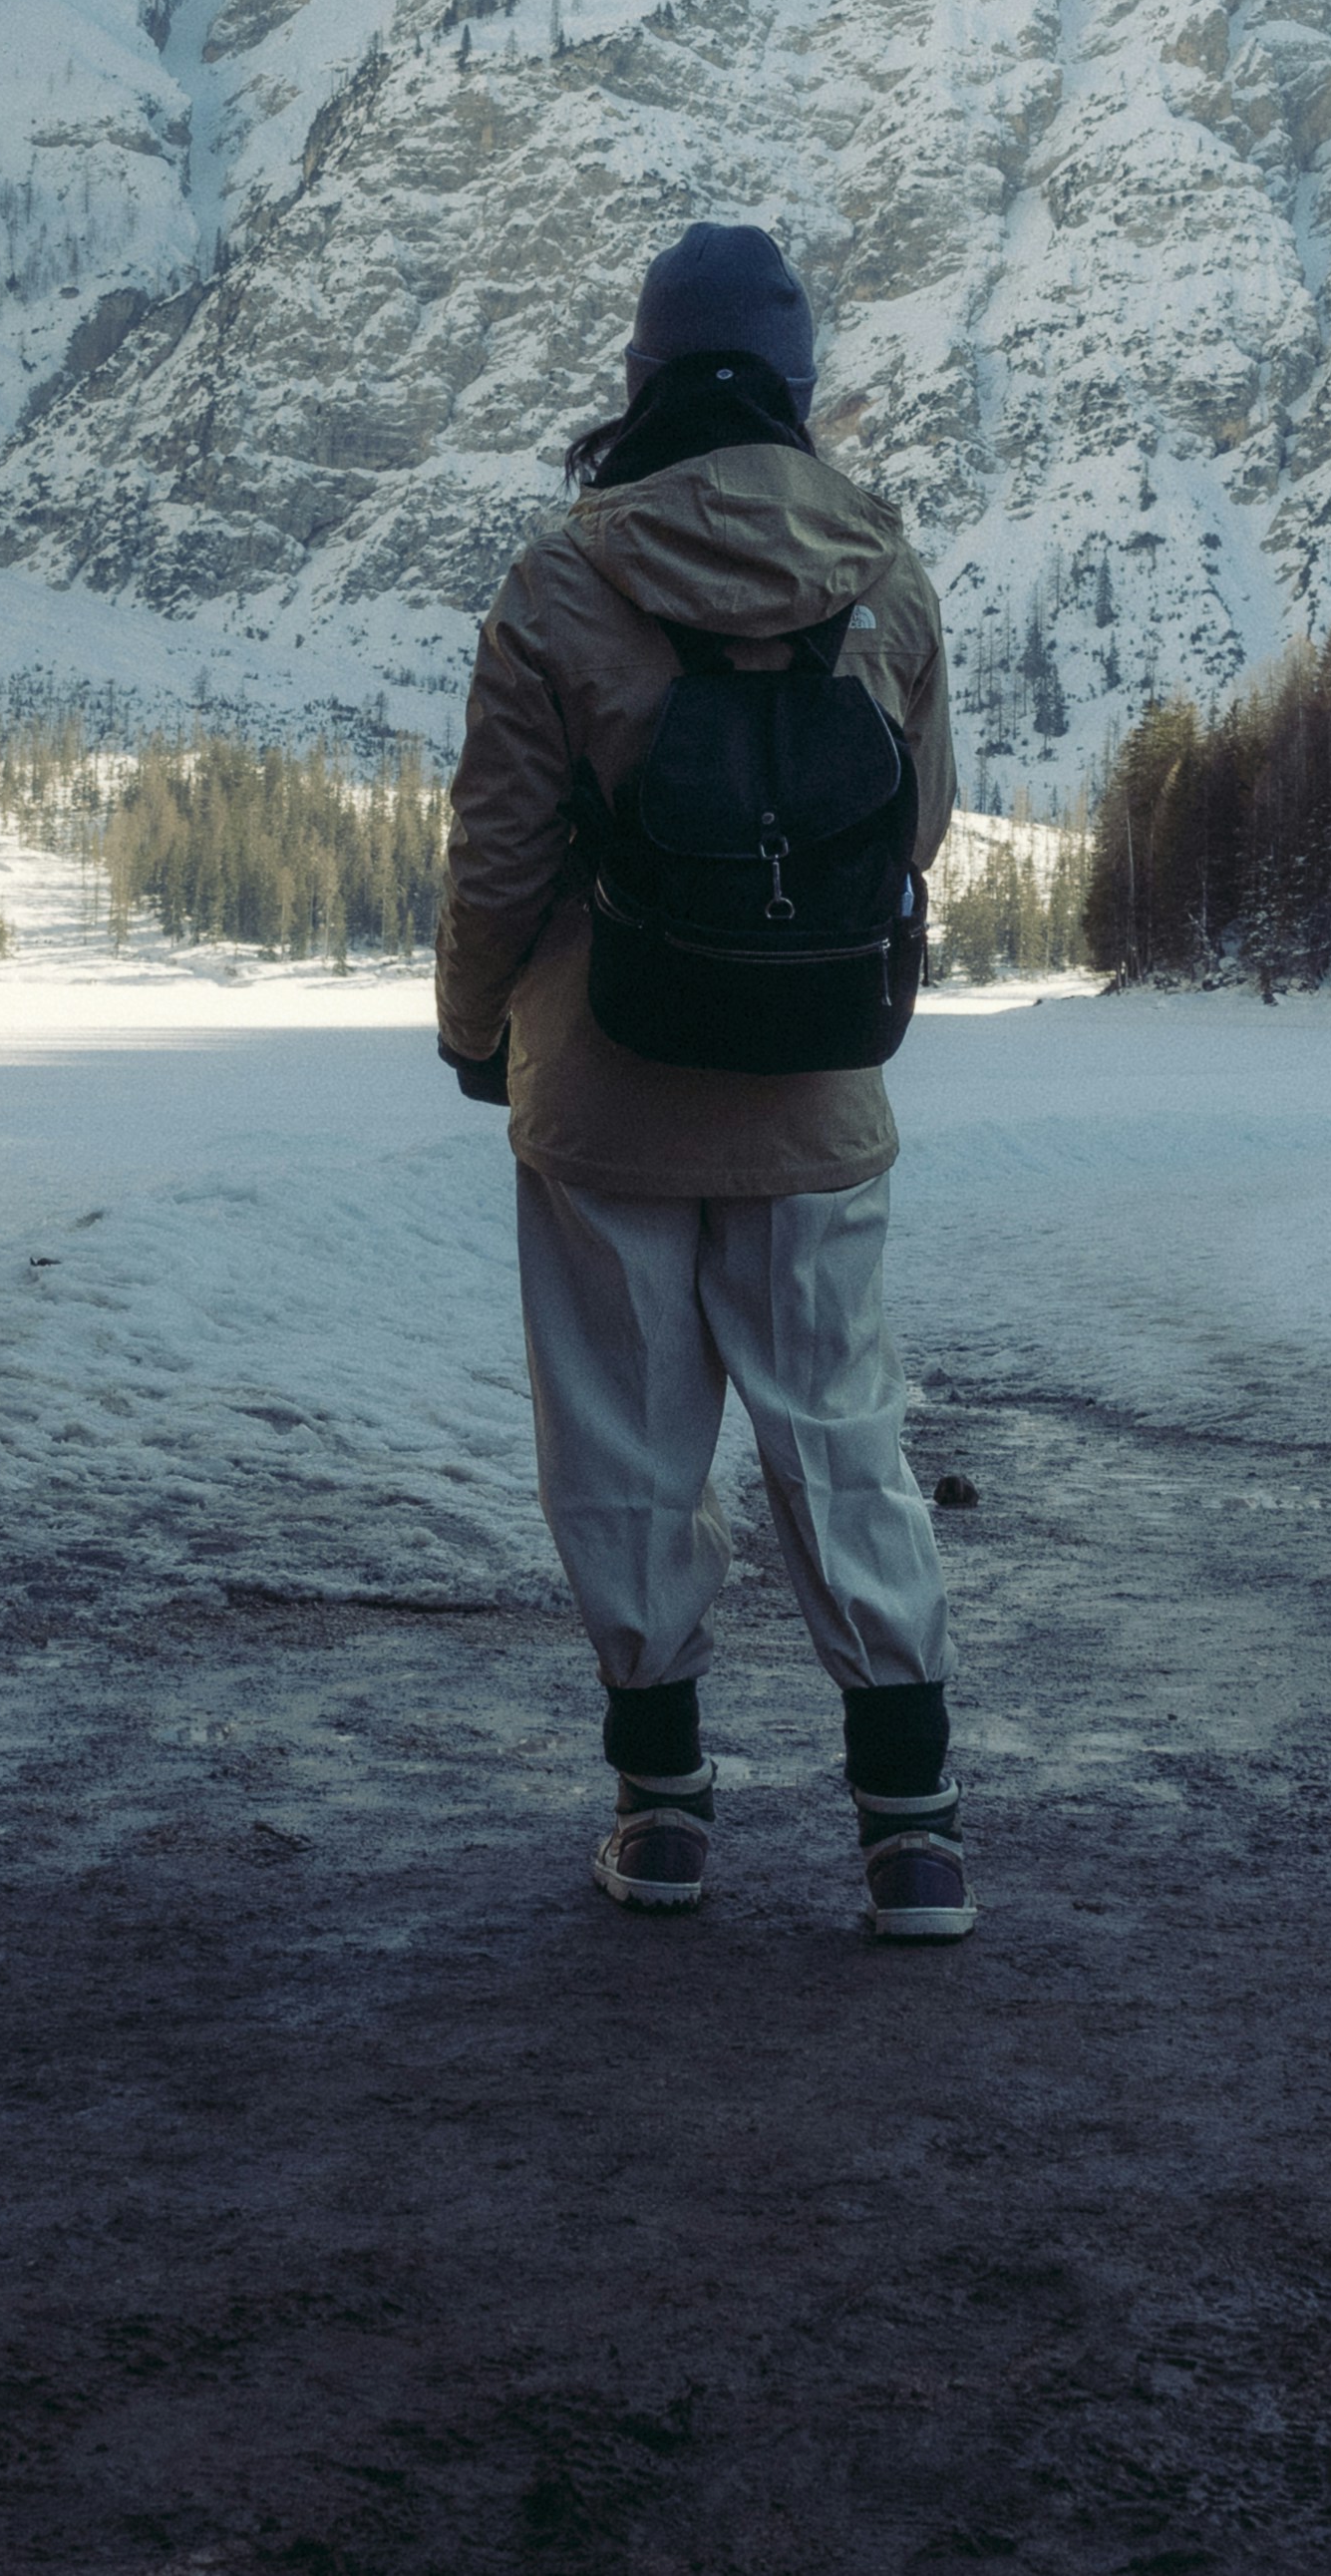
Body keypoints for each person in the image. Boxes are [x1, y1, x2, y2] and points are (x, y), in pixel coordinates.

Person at [435, 220, 971, 1939]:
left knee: (625, 1448)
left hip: (605, 1089)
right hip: (817, 1089)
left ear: (642, 381)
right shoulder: (884, 572)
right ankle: (913, 1831)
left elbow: (499, 853)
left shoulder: (561, 580)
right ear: (797, 393)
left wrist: (472, 1029)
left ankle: (661, 1814)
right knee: (842, 1438)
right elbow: (921, 819)